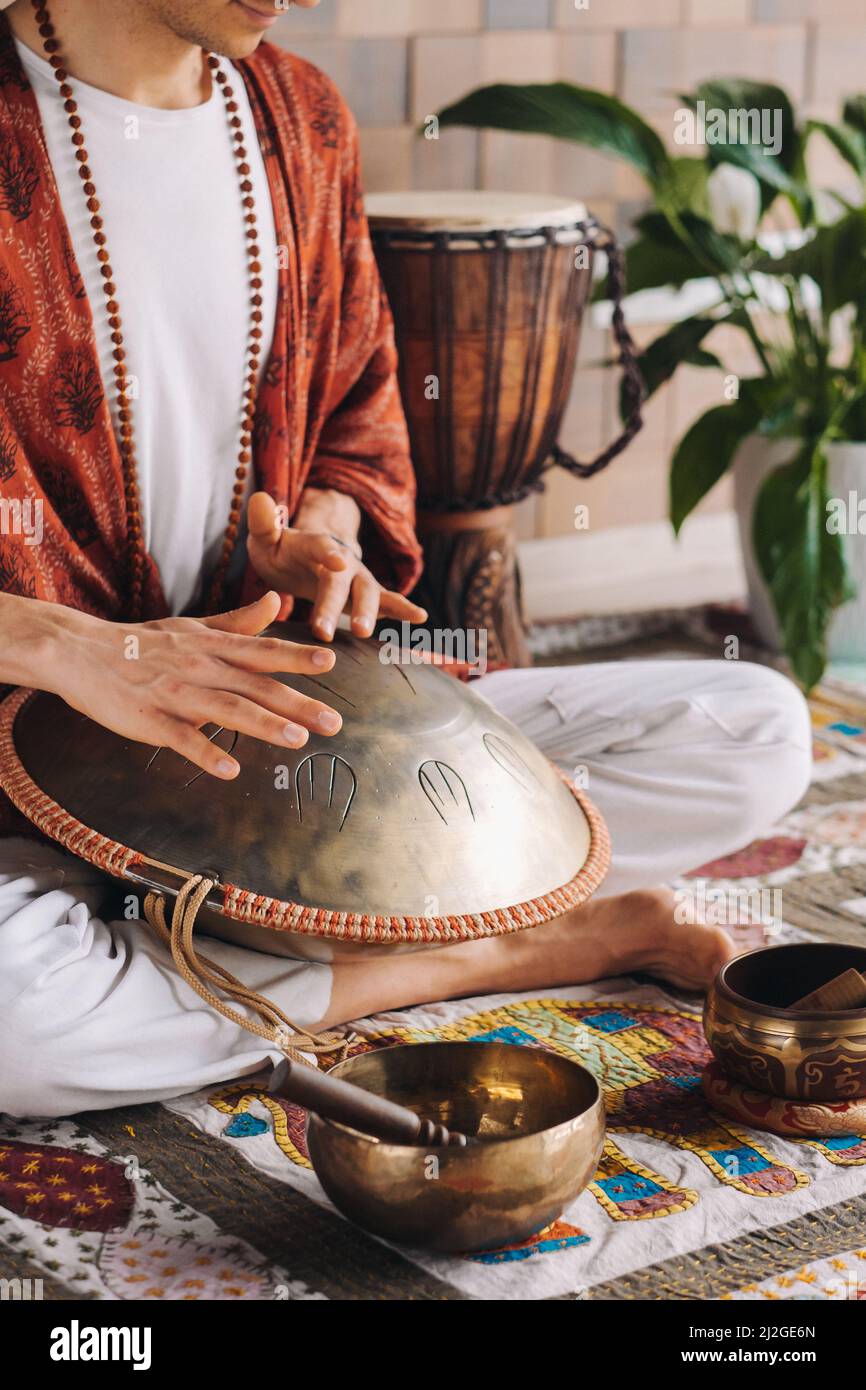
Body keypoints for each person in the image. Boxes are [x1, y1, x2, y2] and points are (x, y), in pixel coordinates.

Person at [0, 0, 812, 1118]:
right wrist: (70, 646)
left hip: (278, 755)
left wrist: (320, 538)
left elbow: (355, 417)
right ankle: (478, 952)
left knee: (750, 729)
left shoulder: (300, 116)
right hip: (22, 766)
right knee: (18, 1031)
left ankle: (265, 946)